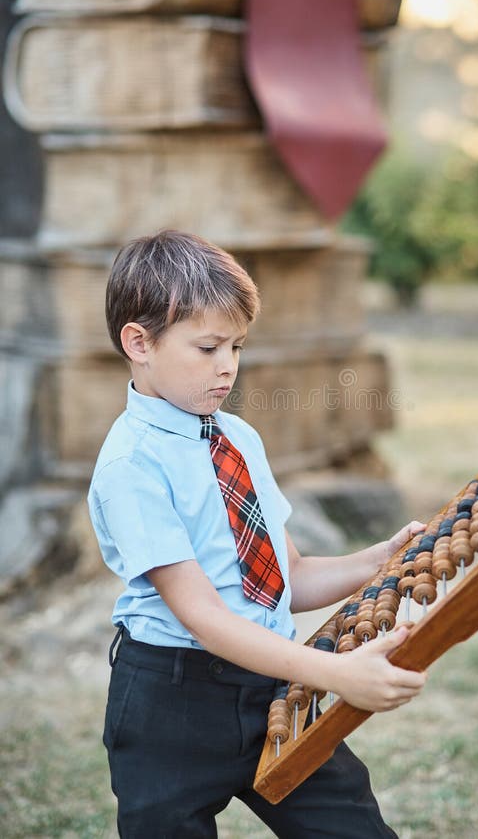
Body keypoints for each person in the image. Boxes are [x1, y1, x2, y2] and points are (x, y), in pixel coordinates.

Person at [88, 229, 426, 838]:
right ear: (139, 342)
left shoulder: (239, 440)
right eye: (208, 347)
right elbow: (205, 618)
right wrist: (336, 674)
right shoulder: (130, 467)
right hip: (173, 705)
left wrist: (381, 557)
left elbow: (287, 579)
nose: (228, 367)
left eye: (237, 347)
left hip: (272, 689)